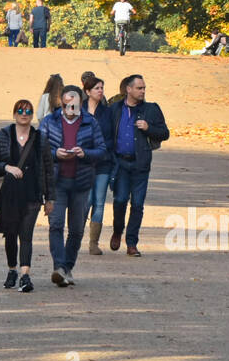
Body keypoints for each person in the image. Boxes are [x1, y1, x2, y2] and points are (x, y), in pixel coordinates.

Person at [0, 99, 54, 293]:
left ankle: (25, 276)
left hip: (32, 194)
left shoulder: (40, 138)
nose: (24, 114)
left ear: (32, 115)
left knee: (26, 235)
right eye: (20, 110)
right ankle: (12, 269)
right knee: (10, 235)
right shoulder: (3, 135)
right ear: (14, 114)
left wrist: (50, 198)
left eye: (28, 111)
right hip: (9, 194)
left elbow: (48, 169)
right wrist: (7, 167)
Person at [41, 85, 104, 285]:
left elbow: (102, 150)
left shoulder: (90, 122)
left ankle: (67, 268)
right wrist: (54, 154)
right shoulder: (48, 122)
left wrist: (85, 153)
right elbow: (38, 150)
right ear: (61, 101)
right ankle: (59, 267)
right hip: (57, 183)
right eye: (67, 101)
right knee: (56, 225)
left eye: (75, 101)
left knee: (76, 230)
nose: (71, 105)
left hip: (82, 182)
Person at [106, 74, 169, 255]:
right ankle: (118, 230)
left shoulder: (151, 109)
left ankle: (132, 243)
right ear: (128, 89)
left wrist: (149, 128)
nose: (142, 91)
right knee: (119, 200)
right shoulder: (115, 109)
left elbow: (164, 133)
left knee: (138, 204)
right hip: (120, 163)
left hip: (140, 164)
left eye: (144, 88)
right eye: (139, 88)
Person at [83, 75, 115, 255]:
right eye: (97, 88)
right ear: (88, 91)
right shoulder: (79, 110)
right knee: (86, 200)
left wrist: (102, 149)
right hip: (84, 163)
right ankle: (76, 235)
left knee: (100, 202)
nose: (100, 91)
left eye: (102, 87)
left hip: (103, 162)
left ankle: (93, 242)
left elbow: (111, 137)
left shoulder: (107, 112)